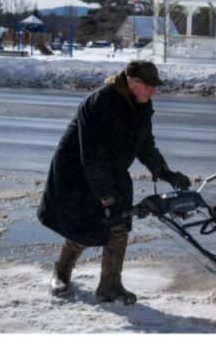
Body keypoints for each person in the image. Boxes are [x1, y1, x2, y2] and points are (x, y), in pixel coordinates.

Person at [38, 60, 191, 305]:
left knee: (118, 223)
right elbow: (91, 155)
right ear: (132, 82)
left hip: (112, 167)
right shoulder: (101, 102)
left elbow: (145, 145)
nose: (153, 91)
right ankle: (61, 273)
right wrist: (106, 197)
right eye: (149, 86)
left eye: (155, 87)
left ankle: (109, 285)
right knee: (83, 224)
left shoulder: (142, 104)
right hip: (77, 169)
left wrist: (166, 173)